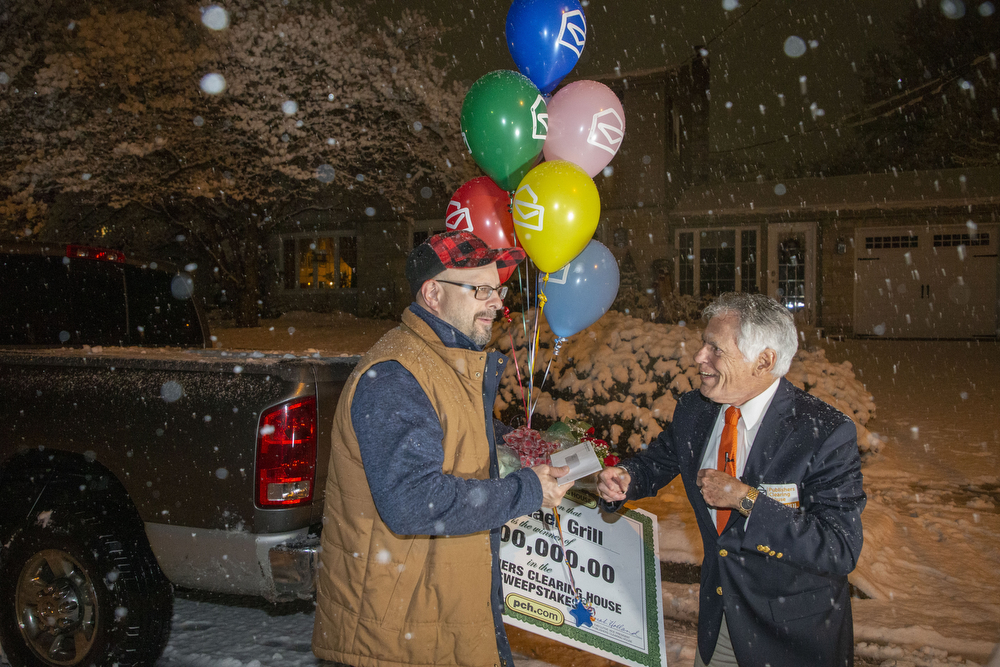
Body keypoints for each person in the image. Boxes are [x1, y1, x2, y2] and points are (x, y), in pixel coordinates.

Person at [312, 230, 573, 667]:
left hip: (437, 615)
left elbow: (452, 426)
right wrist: (527, 491)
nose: (497, 303)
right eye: (482, 290)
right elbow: (413, 501)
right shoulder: (396, 374)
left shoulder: (444, 359)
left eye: (498, 290)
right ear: (433, 293)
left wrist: (517, 443)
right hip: (397, 638)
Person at [597, 292, 865, 667]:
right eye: (703, 344)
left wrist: (746, 500)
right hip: (719, 620)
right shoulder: (695, 410)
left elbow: (839, 547)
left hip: (792, 638)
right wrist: (626, 478)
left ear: (764, 360)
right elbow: (659, 460)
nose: (699, 357)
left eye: (715, 349)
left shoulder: (823, 432)